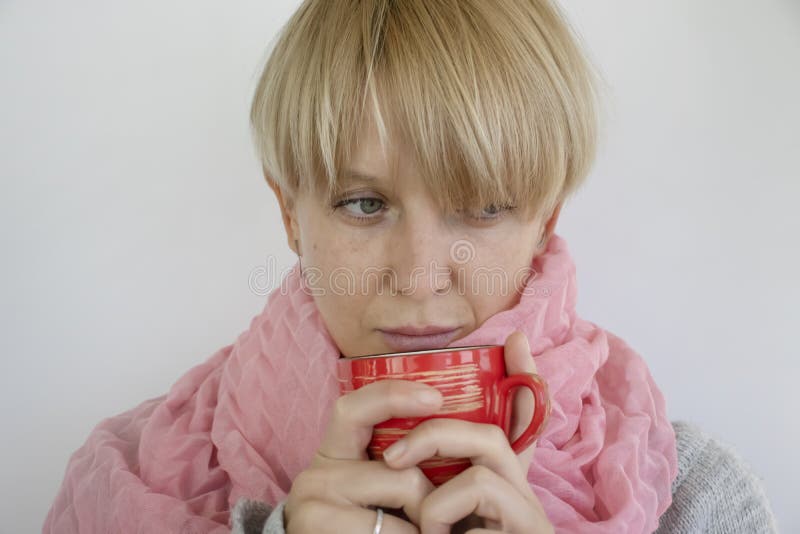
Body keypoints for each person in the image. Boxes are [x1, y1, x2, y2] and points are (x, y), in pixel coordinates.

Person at [44, 1, 778, 532]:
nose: (422, 277)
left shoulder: (694, 495)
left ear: (545, 222)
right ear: (290, 215)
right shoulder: (122, 479)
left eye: (483, 207)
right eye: (364, 205)